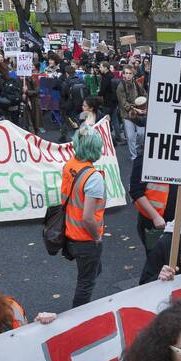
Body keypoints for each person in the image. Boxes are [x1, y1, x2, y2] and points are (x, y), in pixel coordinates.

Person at [60, 125, 107, 307]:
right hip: (86, 238)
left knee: (92, 270)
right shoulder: (93, 178)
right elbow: (88, 217)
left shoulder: (70, 165)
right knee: (85, 284)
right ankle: (78, 315)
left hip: (70, 233)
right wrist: (97, 237)